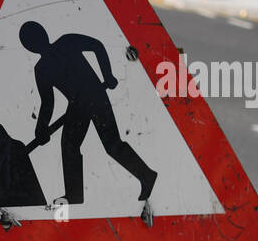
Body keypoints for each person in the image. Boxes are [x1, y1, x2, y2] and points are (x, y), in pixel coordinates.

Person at [20, 21, 157, 205]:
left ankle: (147, 175)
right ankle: (74, 194)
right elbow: (48, 102)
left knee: (111, 144)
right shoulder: (43, 66)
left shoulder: (65, 43)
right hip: (77, 106)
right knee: (70, 146)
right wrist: (41, 127)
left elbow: (96, 46)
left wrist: (107, 75)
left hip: (95, 96)